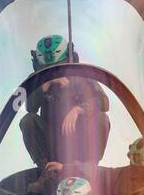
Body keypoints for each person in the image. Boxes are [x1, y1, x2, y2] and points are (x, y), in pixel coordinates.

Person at [18, 34, 111, 175]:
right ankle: (46, 171)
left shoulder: (82, 75)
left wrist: (79, 109)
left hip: (80, 139)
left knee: (102, 118)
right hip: (52, 141)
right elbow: (30, 107)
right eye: (47, 69)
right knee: (27, 121)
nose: (54, 72)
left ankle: (88, 169)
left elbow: (103, 102)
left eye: (57, 68)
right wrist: (46, 83)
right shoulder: (36, 81)